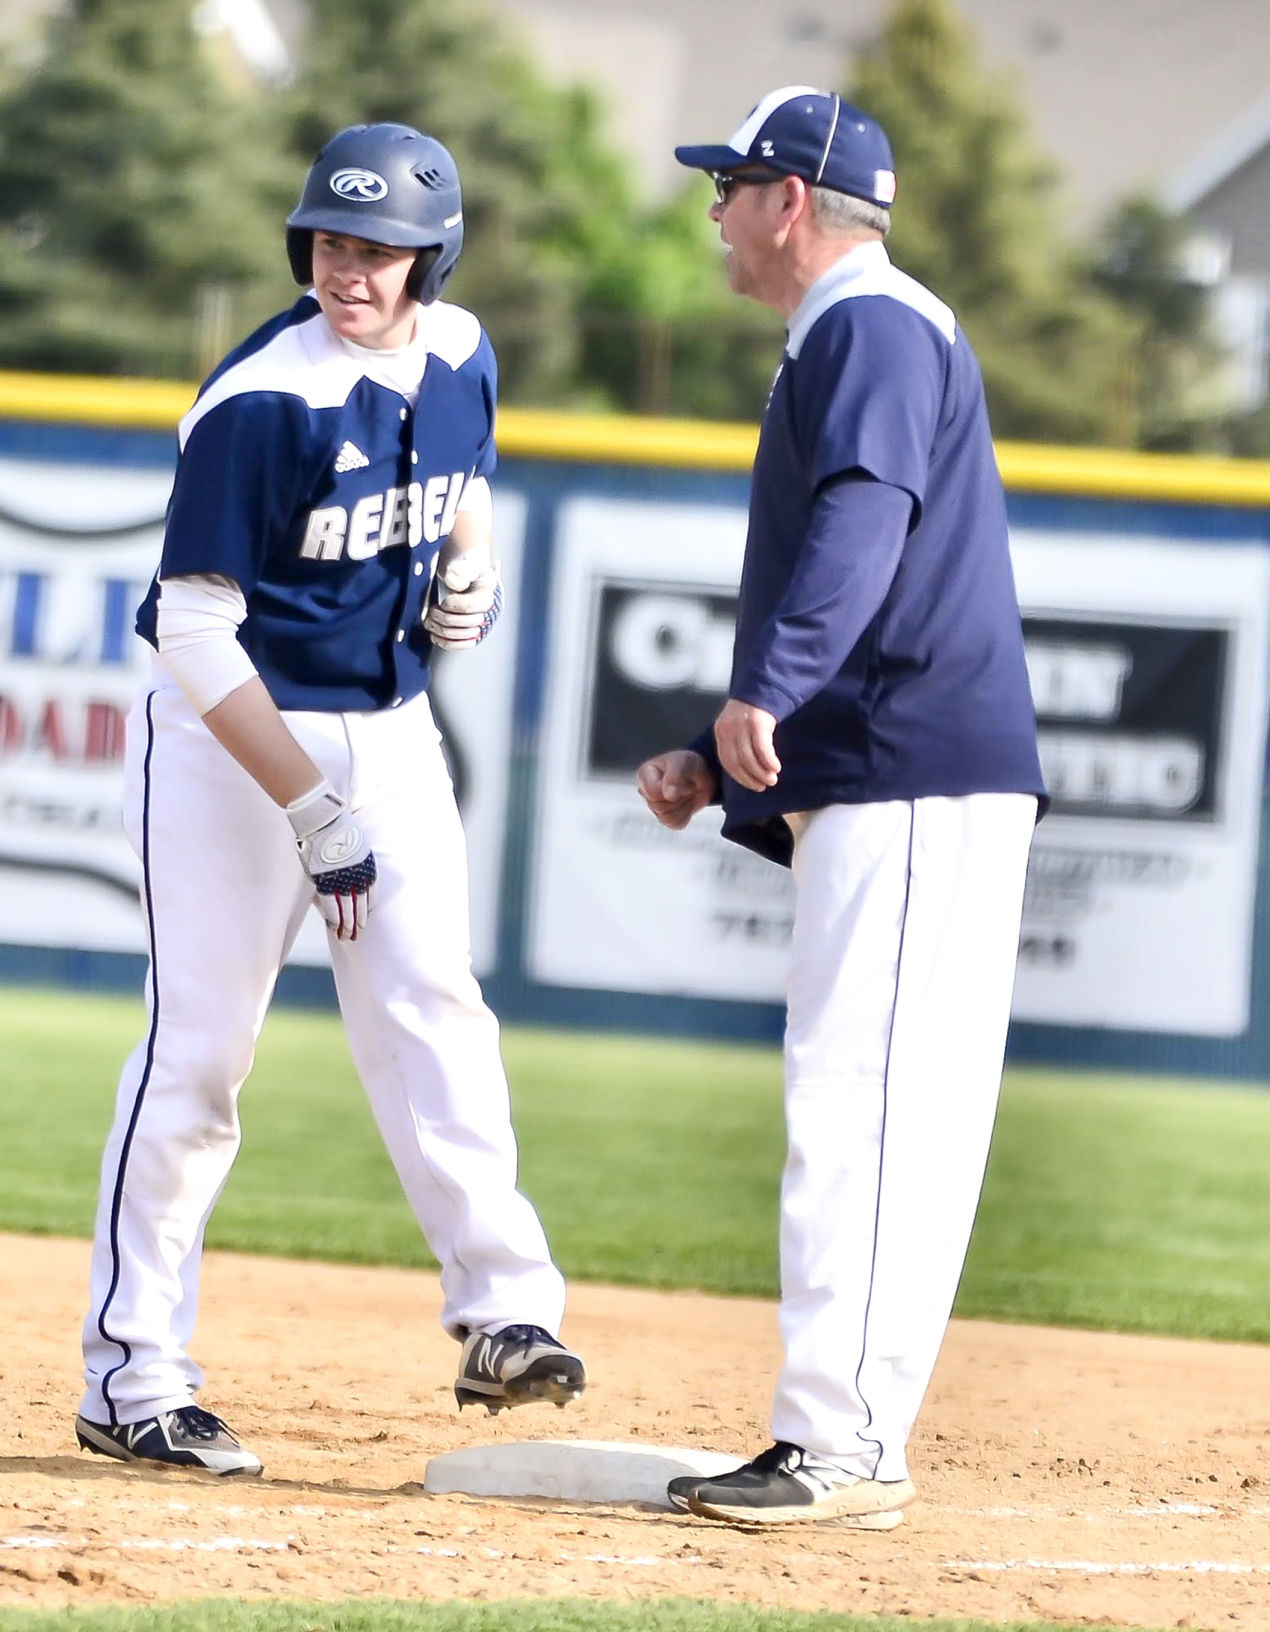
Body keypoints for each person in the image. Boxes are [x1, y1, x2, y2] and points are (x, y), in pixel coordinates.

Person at [75, 122, 585, 1478]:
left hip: (392, 728)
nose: (350, 270)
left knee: (436, 1011)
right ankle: (133, 1374)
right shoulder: (260, 401)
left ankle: (506, 1314)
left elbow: (467, 476)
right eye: (331, 241)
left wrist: (473, 565)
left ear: (435, 260)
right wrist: (309, 806)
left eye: (381, 250)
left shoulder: (461, 348)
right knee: (200, 1056)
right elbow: (193, 634)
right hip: (232, 740)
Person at [637, 87, 1045, 1528]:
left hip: (907, 768)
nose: (715, 213)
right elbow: (867, 553)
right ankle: (852, 1432)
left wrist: (771, 684)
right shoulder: (865, 325)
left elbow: (867, 519)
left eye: (729, 187)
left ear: (789, 201)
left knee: (860, 1103)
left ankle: (841, 1442)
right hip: (906, 766)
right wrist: (721, 745)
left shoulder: (867, 320)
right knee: (885, 1107)